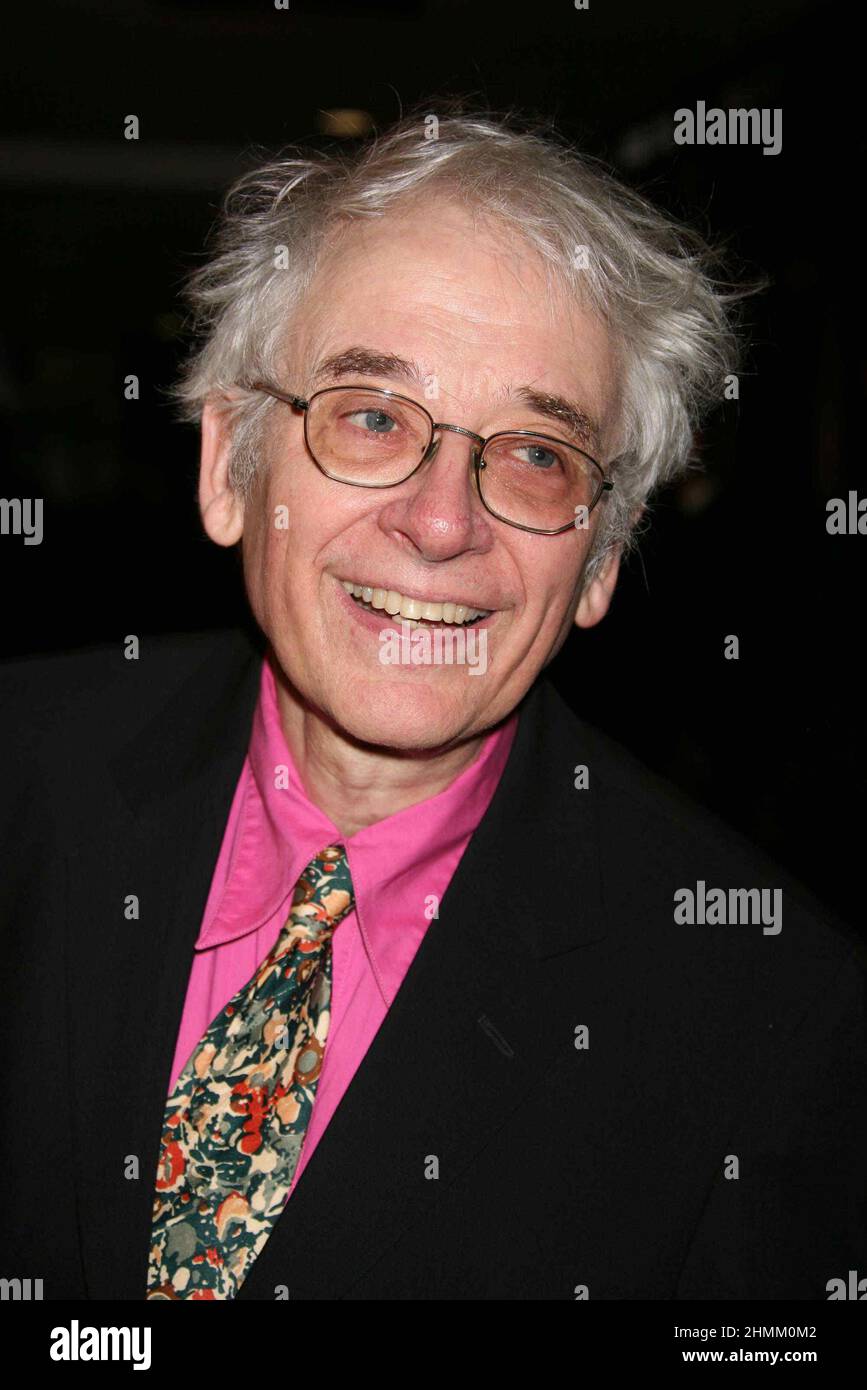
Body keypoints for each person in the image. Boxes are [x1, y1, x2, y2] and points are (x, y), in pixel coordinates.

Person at [1, 108, 864, 1301]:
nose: (443, 520)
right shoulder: (22, 777)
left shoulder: (769, 1022)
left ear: (602, 559)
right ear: (229, 465)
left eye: (536, 456)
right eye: (370, 417)